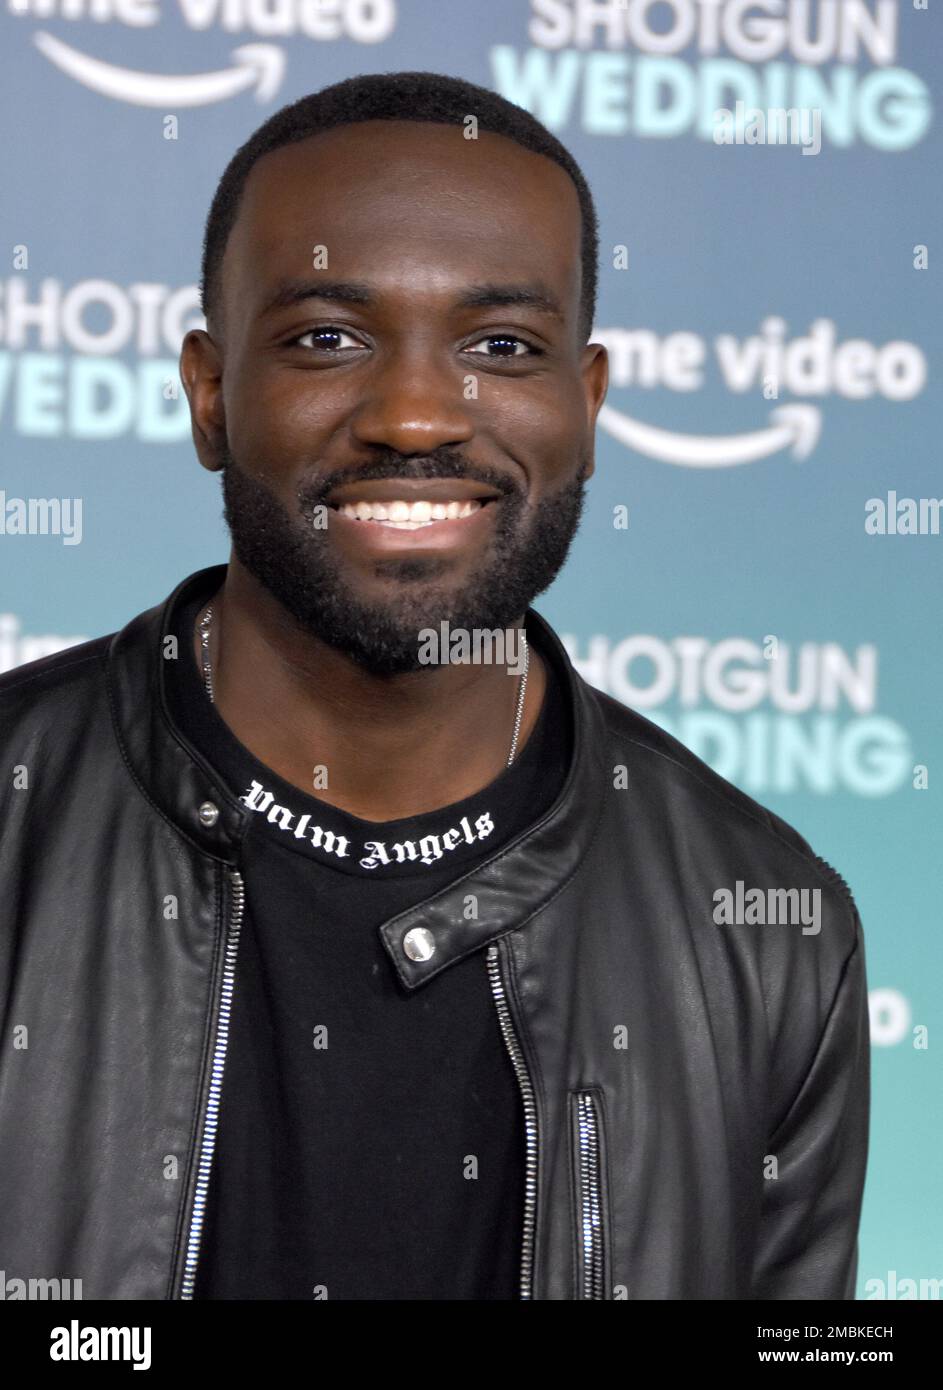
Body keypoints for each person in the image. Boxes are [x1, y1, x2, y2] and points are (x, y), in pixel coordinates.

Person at [0, 71, 869, 1300]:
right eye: (326, 339)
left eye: (500, 346)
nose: (415, 416)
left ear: (587, 402)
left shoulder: (769, 933)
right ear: (208, 395)